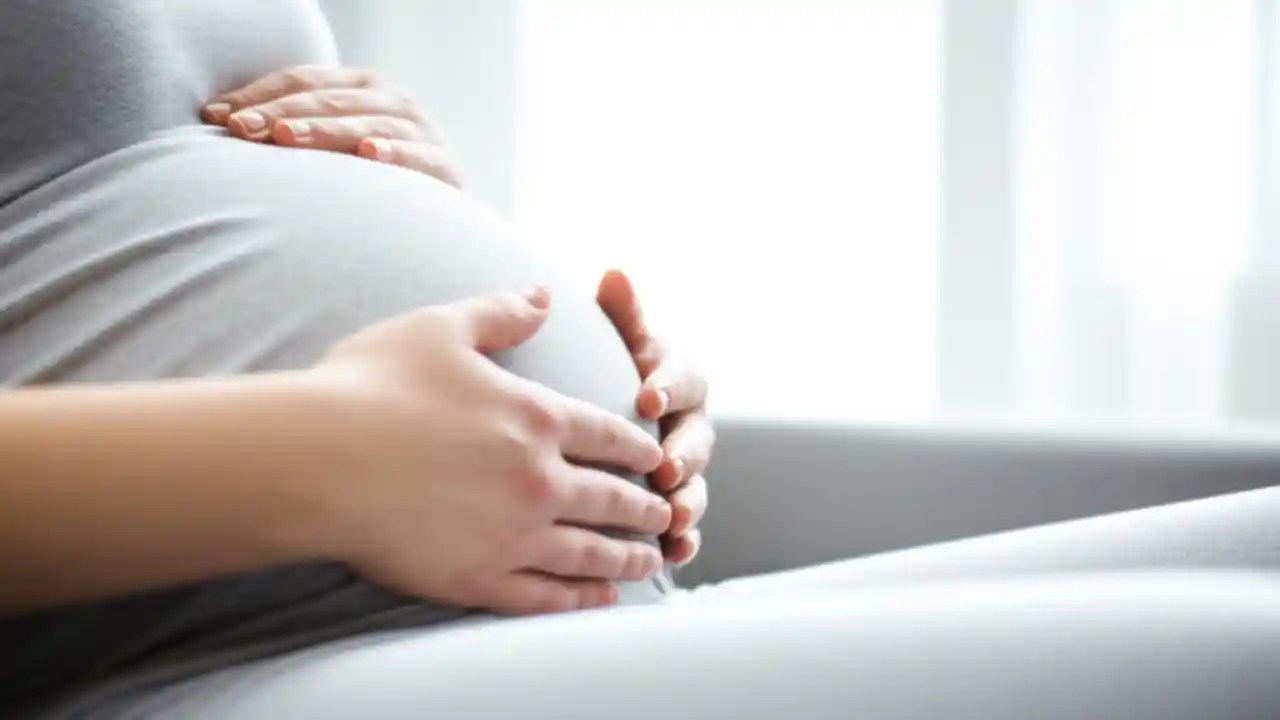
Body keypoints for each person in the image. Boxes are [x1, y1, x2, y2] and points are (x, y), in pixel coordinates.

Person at [1, 2, 1276, 718]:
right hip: (178, 666)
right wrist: (332, 453)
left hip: (466, 621)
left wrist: (558, 376)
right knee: (1244, 660)